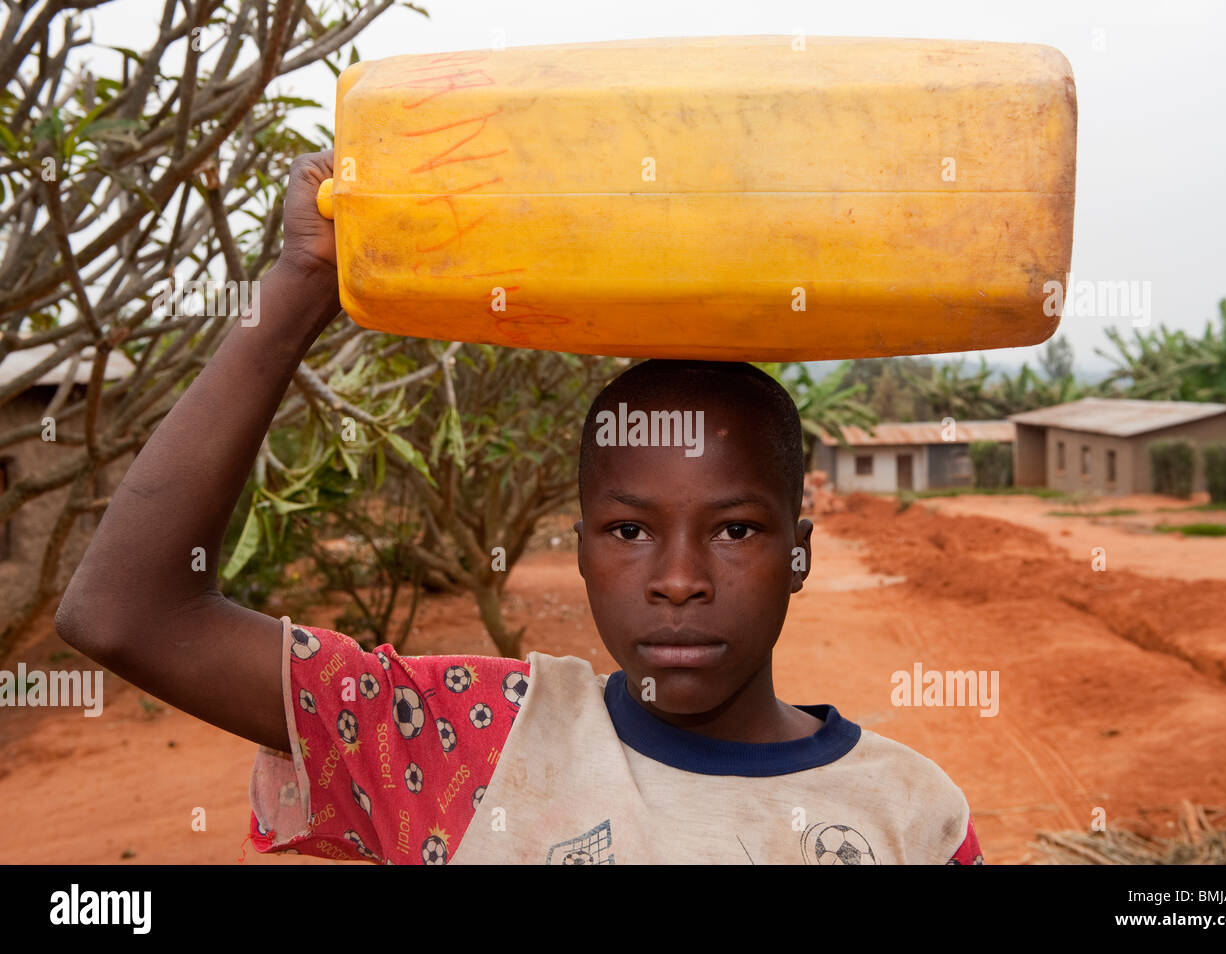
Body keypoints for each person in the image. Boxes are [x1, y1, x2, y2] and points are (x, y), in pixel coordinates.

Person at [56, 150, 983, 865]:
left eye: (735, 529)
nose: (678, 581)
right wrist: (302, 284)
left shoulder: (912, 814)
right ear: (579, 550)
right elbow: (126, 612)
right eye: (629, 531)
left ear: (800, 552)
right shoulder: (473, 739)